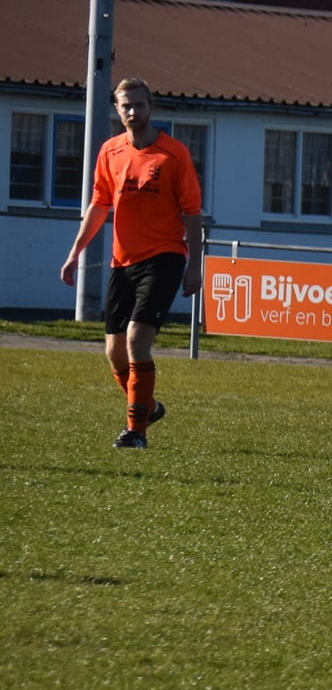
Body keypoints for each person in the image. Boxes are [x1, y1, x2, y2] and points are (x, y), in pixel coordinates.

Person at [59, 78, 203, 449]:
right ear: (117, 109)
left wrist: (194, 266)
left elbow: (192, 213)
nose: (133, 111)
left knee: (138, 338)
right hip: (122, 262)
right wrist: (75, 252)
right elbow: (99, 204)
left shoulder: (174, 155)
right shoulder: (110, 151)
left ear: (151, 106)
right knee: (114, 351)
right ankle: (147, 406)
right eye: (126, 106)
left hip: (165, 258)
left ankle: (135, 431)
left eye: (139, 104)